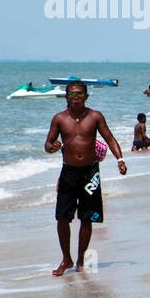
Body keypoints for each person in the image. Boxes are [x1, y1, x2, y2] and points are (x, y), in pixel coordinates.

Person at [43, 81, 126, 276]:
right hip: (68, 172)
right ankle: (66, 259)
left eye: (80, 94)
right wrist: (51, 147)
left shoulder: (95, 116)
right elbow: (47, 144)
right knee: (62, 217)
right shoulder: (59, 119)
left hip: (90, 173)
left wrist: (120, 159)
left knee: (87, 218)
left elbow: (109, 138)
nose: (76, 98)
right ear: (66, 97)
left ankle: (81, 260)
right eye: (72, 95)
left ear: (86, 96)